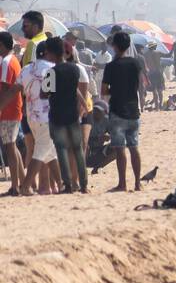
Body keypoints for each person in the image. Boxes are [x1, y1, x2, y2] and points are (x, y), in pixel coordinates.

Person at [43, 38, 90, 194]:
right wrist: (83, 104)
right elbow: (75, 90)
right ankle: (84, 185)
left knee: (62, 150)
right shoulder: (74, 69)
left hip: (57, 115)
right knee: (77, 150)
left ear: (51, 53)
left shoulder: (51, 72)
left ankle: (68, 185)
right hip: (72, 115)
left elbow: (44, 94)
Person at [100, 31, 145, 192]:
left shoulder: (111, 66)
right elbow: (139, 84)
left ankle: (122, 183)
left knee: (120, 149)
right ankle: (138, 183)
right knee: (134, 147)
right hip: (134, 110)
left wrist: (114, 90)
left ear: (115, 46)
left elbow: (104, 90)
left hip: (117, 110)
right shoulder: (136, 63)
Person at [18, 39, 56, 195]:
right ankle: (26, 185)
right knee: (41, 152)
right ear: (48, 52)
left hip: (30, 116)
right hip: (46, 116)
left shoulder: (26, 69)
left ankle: (48, 186)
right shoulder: (51, 69)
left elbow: (19, 90)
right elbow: (49, 93)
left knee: (49, 152)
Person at [0, 32, 26, 195]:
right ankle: (23, 182)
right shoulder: (14, 60)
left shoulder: (7, 62)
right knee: (12, 146)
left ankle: (15, 186)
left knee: (10, 147)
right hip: (13, 108)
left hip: (8, 109)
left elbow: (5, 88)